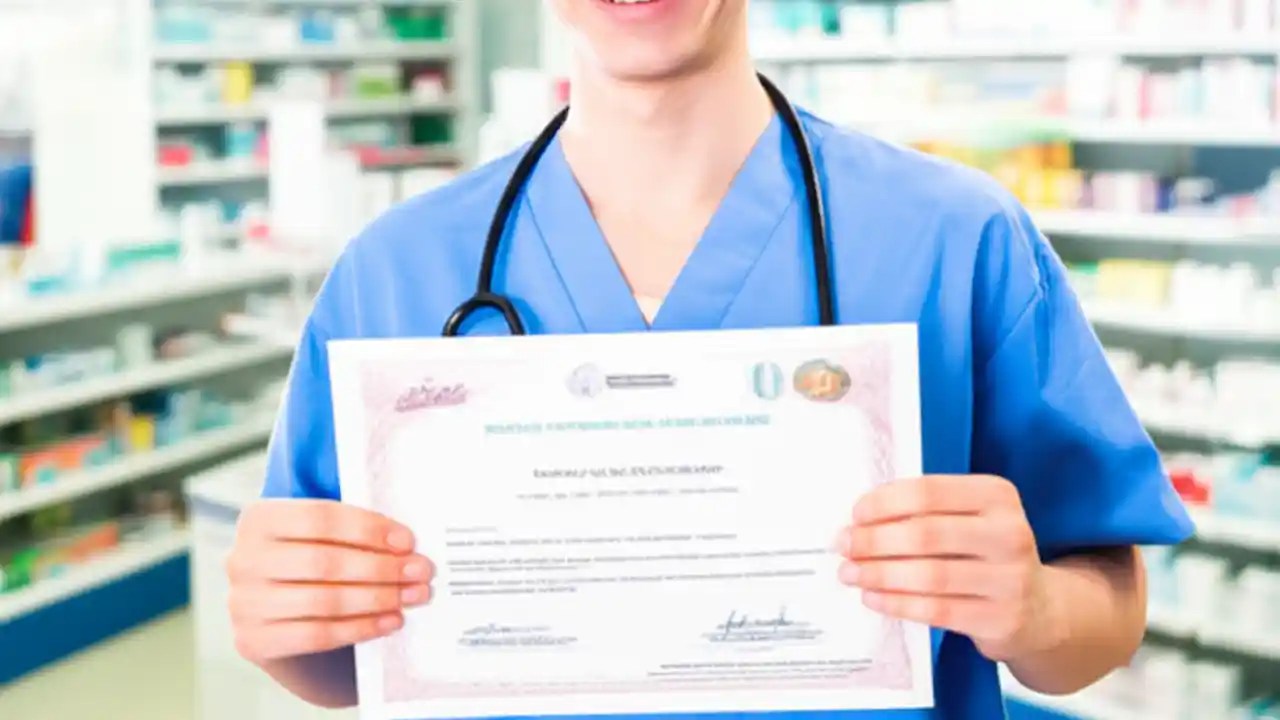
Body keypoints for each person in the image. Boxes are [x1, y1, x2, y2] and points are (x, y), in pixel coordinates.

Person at [226, 0, 1193, 717]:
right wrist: (287, 630)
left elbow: (1104, 608)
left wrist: (1030, 608)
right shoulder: (395, 271)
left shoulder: (957, 239)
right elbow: (340, 667)